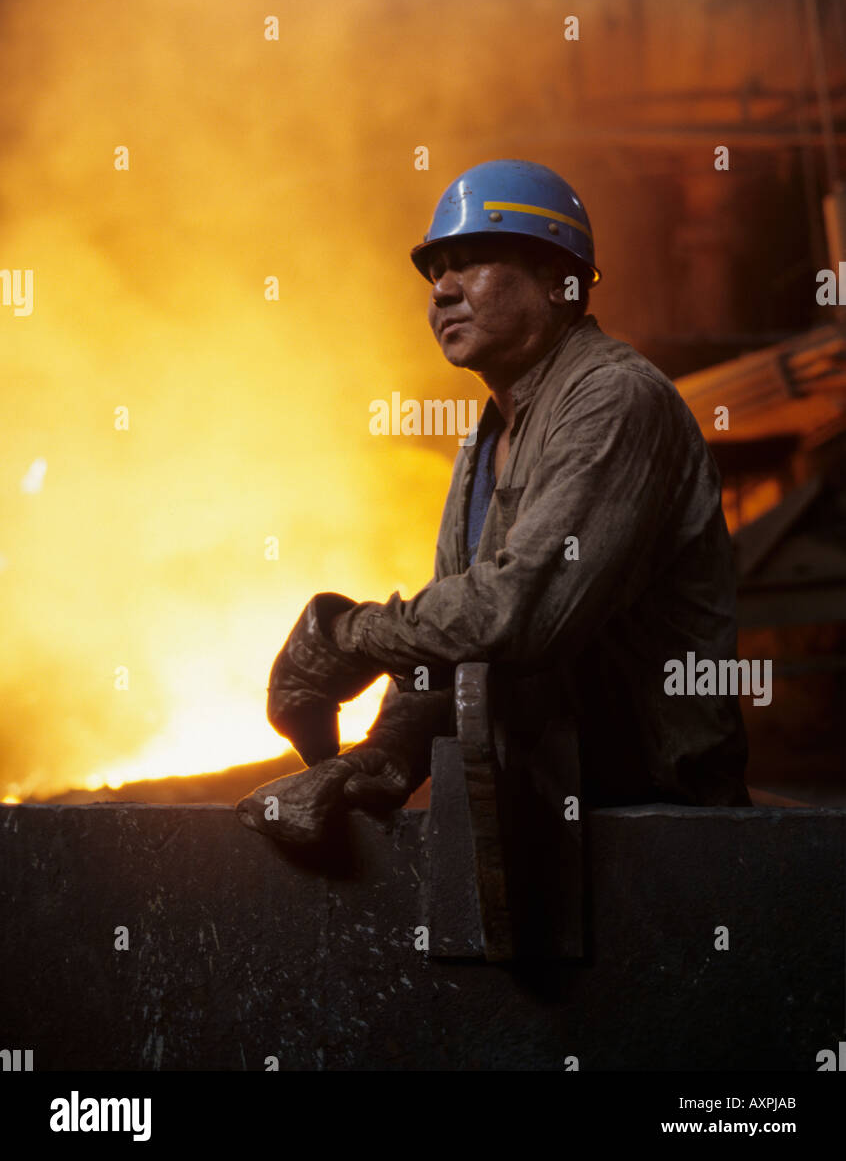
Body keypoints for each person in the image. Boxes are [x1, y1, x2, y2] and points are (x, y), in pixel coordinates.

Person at [237, 159, 751, 846]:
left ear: (559, 283)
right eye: (435, 270)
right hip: (541, 830)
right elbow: (460, 619)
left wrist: (347, 638)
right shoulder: (484, 441)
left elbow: (518, 612)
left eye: (472, 262)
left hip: (664, 834)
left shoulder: (616, 401)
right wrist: (389, 746)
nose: (442, 291)